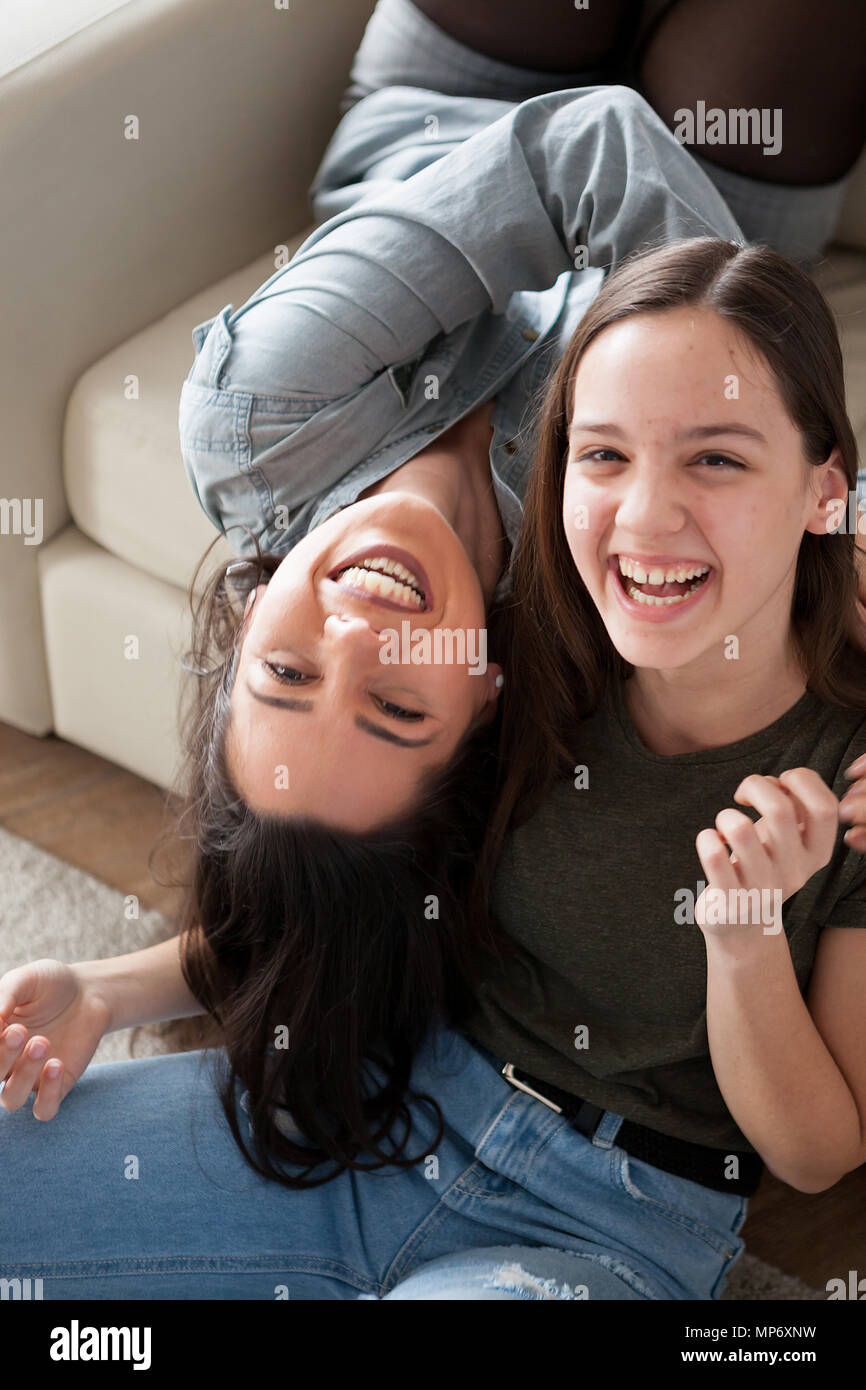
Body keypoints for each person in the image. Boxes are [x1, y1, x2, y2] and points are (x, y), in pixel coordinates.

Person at [1, 2, 866, 1300]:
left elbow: (590, 151)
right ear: (481, 698)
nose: (358, 638)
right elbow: (351, 907)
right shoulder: (570, 627)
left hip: (473, 135)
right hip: (427, 1145)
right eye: (394, 706)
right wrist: (105, 989)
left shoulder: (276, 428)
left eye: (288, 673)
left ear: (243, 629)